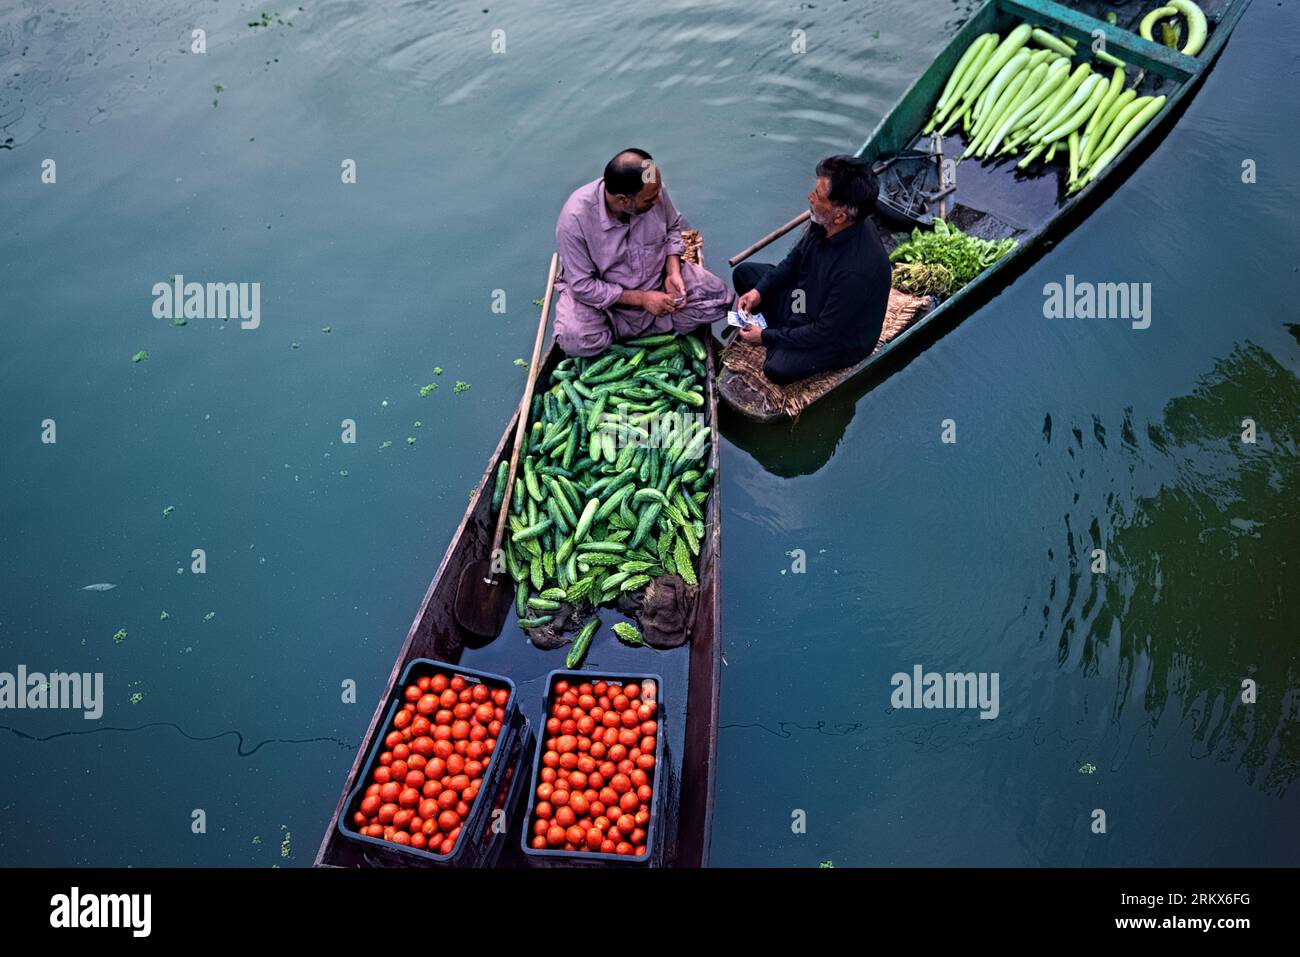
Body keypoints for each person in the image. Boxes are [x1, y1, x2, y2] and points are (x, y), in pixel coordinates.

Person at [553, 149, 731, 357]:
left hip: (656, 282)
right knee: (575, 338)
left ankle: (640, 332)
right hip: (608, 307)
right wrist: (642, 299)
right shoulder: (575, 220)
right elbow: (583, 286)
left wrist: (673, 271)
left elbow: (673, 227)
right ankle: (638, 333)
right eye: (649, 200)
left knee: (719, 298)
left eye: (658, 193)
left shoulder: (653, 190)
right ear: (623, 200)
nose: (658, 200)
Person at [732, 154, 892, 384]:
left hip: (838, 338)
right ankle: (784, 324)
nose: (810, 197)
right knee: (745, 276)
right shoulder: (824, 222)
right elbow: (795, 259)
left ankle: (780, 328)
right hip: (805, 298)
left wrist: (765, 337)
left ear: (840, 216)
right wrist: (759, 291)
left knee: (776, 368)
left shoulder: (856, 272)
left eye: (818, 196)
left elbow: (824, 332)